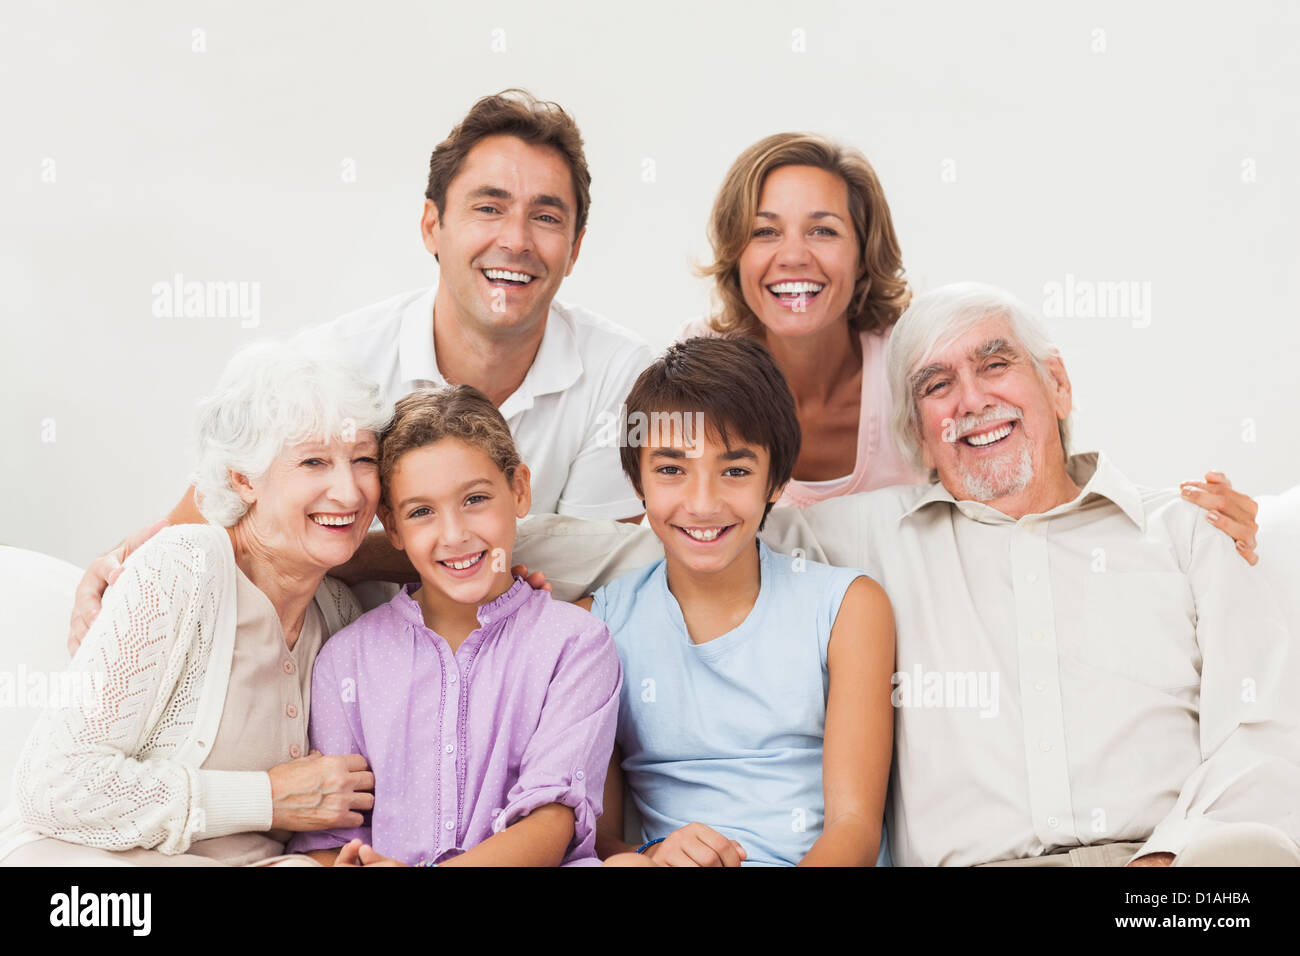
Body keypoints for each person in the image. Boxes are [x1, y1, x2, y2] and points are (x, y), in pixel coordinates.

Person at [512, 283, 1300, 867]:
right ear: (917, 434)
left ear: (1058, 385)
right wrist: (428, 547)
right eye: (935, 384)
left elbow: (1259, 738)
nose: (972, 399)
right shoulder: (865, 537)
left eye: (996, 363)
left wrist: (1167, 868)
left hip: (1173, 875)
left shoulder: (1192, 529)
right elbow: (677, 541)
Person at [66, 88, 651, 652]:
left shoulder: (621, 378)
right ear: (432, 227)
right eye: (488, 207)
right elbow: (216, 514)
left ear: (574, 249)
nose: (516, 239)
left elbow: (596, 571)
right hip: (342, 663)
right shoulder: (335, 359)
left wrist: (350, 545)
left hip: (519, 668)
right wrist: (123, 568)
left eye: (546, 217)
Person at [688, 133, 1262, 553]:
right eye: (765, 231)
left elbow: (1033, 475)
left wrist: (1183, 523)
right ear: (736, 253)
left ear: (863, 253)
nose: (793, 255)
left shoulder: (921, 363)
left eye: (823, 230)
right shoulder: (699, 380)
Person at [0, 339, 389, 866]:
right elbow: (54, 785)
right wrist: (267, 799)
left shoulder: (343, 612)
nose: (348, 491)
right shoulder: (185, 565)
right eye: (313, 462)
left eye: (363, 459)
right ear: (243, 478)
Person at [575, 337, 894, 867]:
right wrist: (649, 855)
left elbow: (854, 826)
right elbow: (595, 836)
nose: (703, 504)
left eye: (736, 470)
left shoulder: (847, 609)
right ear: (638, 481)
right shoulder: (595, 628)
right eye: (672, 470)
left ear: (776, 481)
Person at [286, 386, 621, 867]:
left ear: (519, 490)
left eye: (475, 499)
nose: (454, 534)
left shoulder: (576, 643)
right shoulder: (346, 658)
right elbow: (332, 838)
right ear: (392, 527)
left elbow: (550, 823)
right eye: (421, 511)